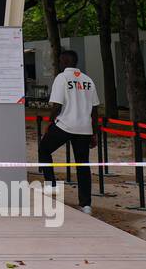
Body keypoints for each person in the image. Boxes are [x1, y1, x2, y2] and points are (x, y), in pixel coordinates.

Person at [38, 49, 101, 214]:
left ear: (64, 62)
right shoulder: (88, 80)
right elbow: (95, 110)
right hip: (84, 128)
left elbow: (57, 105)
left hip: (65, 125)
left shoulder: (62, 78)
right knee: (82, 164)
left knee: (44, 149)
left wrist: (49, 122)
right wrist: (94, 132)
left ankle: (51, 184)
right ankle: (86, 204)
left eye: (60, 61)